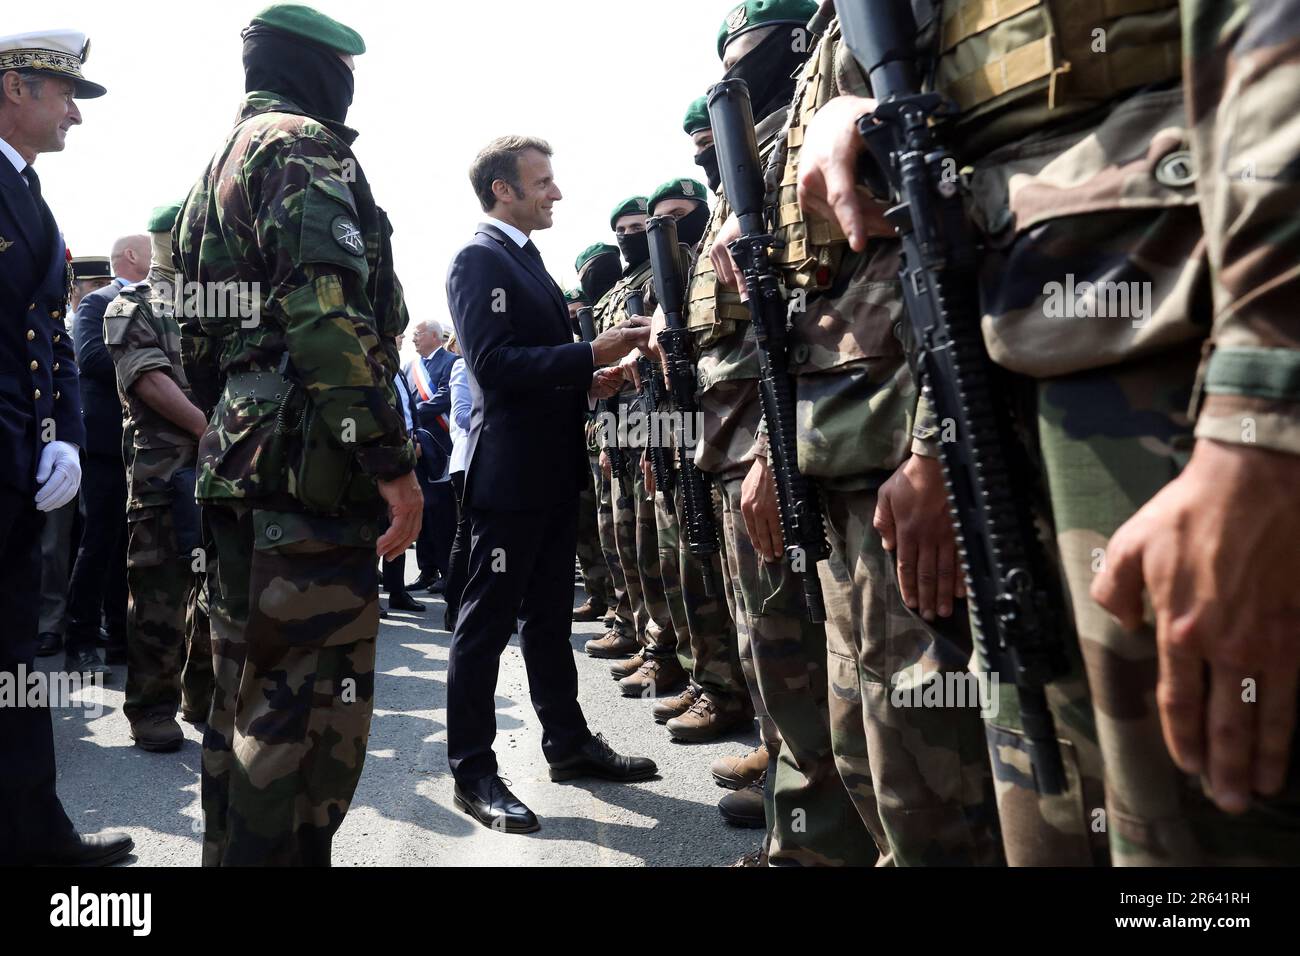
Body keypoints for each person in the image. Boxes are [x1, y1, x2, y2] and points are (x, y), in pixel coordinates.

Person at [798, 0, 1300, 866]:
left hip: (1178, 345)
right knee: (1055, 808)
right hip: (999, 371)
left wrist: (1262, 424)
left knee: (1206, 821)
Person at [723, 3, 1003, 865]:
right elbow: (805, 304)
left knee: (931, 764)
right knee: (866, 740)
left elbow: (940, 234)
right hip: (836, 435)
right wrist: (779, 443)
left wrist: (934, 446)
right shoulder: (825, 54)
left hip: (911, 428)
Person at [176, 3, 423, 866]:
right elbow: (327, 314)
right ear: (326, 70)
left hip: (244, 458)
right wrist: (389, 461)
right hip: (307, 467)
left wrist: (243, 419)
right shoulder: (300, 146)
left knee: (241, 700)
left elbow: (196, 343)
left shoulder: (218, 164)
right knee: (301, 715)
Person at [445, 133, 656, 833]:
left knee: (548, 619)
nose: (556, 192)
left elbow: (535, 369)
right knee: (485, 625)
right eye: (542, 182)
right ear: (503, 189)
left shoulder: (524, 259)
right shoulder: (480, 258)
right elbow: (495, 365)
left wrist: (589, 381)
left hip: (549, 470)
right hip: (509, 480)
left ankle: (566, 743)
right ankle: (474, 770)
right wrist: (587, 351)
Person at [0, 27, 133, 866]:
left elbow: (42, 335)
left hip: (22, 469)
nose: (75, 116)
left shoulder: (27, 190)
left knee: (13, 666)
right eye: (64, 95)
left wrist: (68, 440)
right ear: (15, 87)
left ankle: (32, 834)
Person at [104, 202, 215, 750]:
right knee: (159, 590)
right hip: (163, 468)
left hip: (222, 467)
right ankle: (151, 708)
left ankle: (204, 695)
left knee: (217, 585)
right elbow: (146, 378)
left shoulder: (218, 301)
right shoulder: (129, 304)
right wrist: (210, 429)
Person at [63, 234, 150, 676]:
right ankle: (80, 640)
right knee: (97, 541)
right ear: (131, 256)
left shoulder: (156, 302)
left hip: (140, 441)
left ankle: (119, 636)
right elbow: (91, 357)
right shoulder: (98, 301)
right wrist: (151, 366)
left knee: (126, 543)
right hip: (102, 441)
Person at [35, 256, 108, 658]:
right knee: (54, 541)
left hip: (90, 448)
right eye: (92, 284)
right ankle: (50, 623)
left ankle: (87, 617)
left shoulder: (103, 324)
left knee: (91, 536)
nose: (97, 291)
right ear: (75, 288)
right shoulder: (56, 327)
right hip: (54, 447)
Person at [406, 319, 458, 592]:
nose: (413, 338)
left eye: (418, 334)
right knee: (421, 509)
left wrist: (412, 414)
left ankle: (446, 570)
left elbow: (444, 398)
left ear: (435, 336)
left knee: (442, 512)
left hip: (440, 448)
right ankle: (425, 569)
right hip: (415, 446)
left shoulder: (450, 362)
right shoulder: (409, 367)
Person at [382, 330, 426, 615]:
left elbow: (410, 410)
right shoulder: (376, 368)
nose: (402, 338)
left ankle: (397, 592)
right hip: (383, 456)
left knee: (398, 524)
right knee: (377, 527)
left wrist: (417, 439)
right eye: (396, 335)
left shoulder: (398, 370)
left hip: (406, 452)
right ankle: (369, 597)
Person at [441, 331, 472, 631]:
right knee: (466, 534)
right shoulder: (463, 367)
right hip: (467, 464)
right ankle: (454, 608)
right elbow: (462, 415)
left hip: (492, 461)